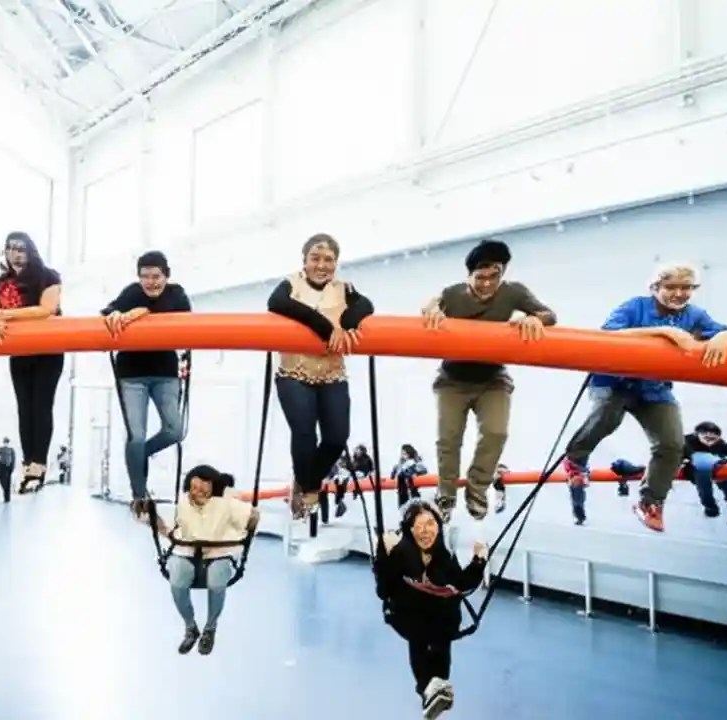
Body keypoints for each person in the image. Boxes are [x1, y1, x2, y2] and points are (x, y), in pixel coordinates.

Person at [561, 263, 727, 532]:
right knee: (608, 416)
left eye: (686, 288)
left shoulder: (694, 315)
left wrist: (723, 337)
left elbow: (726, 331)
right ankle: (576, 459)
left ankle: (651, 501)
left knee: (672, 444)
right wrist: (665, 331)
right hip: (614, 381)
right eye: (671, 287)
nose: (679, 293)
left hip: (653, 387)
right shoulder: (635, 307)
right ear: (655, 288)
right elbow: (609, 334)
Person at [421, 239, 556, 523]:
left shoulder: (513, 292)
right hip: (453, 379)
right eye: (480, 277)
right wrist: (430, 308)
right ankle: (446, 494)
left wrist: (535, 319)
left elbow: (548, 314)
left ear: (502, 273)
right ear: (468, 276)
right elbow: (430, 304)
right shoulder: (453, 294)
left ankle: (477, 489)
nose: (486, 284)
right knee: (448, 439)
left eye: (494, 276)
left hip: (492, 378)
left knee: (496, 433)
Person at [267, 234, 375, 519]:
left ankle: (305, 481)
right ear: (304, 261)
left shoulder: (344, 288)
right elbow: (277, 303)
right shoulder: (291, 284)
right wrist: (328, 328)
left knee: (337, 437)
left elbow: (366, 306)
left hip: (331, 373)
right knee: (304, 433)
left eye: (329, 259)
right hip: (294, 372)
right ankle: (310, 489)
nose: (322, 265)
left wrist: (348, 324)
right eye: (315, 258)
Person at [374, 500, 487, 719]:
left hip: (441, 618)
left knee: (440, 643)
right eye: (419, 526)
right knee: (421, 639)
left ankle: (435, 689)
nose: (425, 531)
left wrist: (478, 562)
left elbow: (462, 584)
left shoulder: (443, 556)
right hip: (409, 614)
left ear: (438, 526)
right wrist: (384, 556)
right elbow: (383, 590)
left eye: (430, 523)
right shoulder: (401, 553)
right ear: (409, 529)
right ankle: (428, 688)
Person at [101, 251, 192, 512]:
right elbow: (109, 310)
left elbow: (183, 319)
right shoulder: (132, 292)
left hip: (165, 372)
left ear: (166, 276)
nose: (150, 282)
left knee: (175, 430)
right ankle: (139, 494)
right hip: (132, 374)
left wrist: (140, 313)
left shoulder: (176, 294)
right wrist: (116, 315)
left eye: (156, 276)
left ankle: (141, 454)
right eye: (145, 277)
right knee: (136, 436)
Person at [144, 464, 260, 656]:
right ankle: (191, 627)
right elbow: (162, 523)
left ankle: (210, 628)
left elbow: (252, 516)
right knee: (177, 578)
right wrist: (148, 513)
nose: (198, 493)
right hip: (186, 552)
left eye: (204, 488)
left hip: (218, 553)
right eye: (194, 488)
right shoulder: (182, 503)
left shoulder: (225, 504)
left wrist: (247, 531)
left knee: (217, 578)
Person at [0, 231, 63, 493]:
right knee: (24, 408)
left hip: (48, 350)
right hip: (20, 352)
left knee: (42, 405)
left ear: (30, 251)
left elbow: (47, 309)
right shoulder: (2, 283)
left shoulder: (47, 276)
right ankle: (29, 462)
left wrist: (7, 315)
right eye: (10, 248)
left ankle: (39, 463)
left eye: (20, 249)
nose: (15, 254)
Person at [682, 421, 727, 532]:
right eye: (705, 434)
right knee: (703, 480)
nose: (709, 437)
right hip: (695, 469)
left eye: (713, 435)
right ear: (697, 434)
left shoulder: (720, 444)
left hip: (716, 467)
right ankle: (710, 507)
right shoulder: (686, 442)